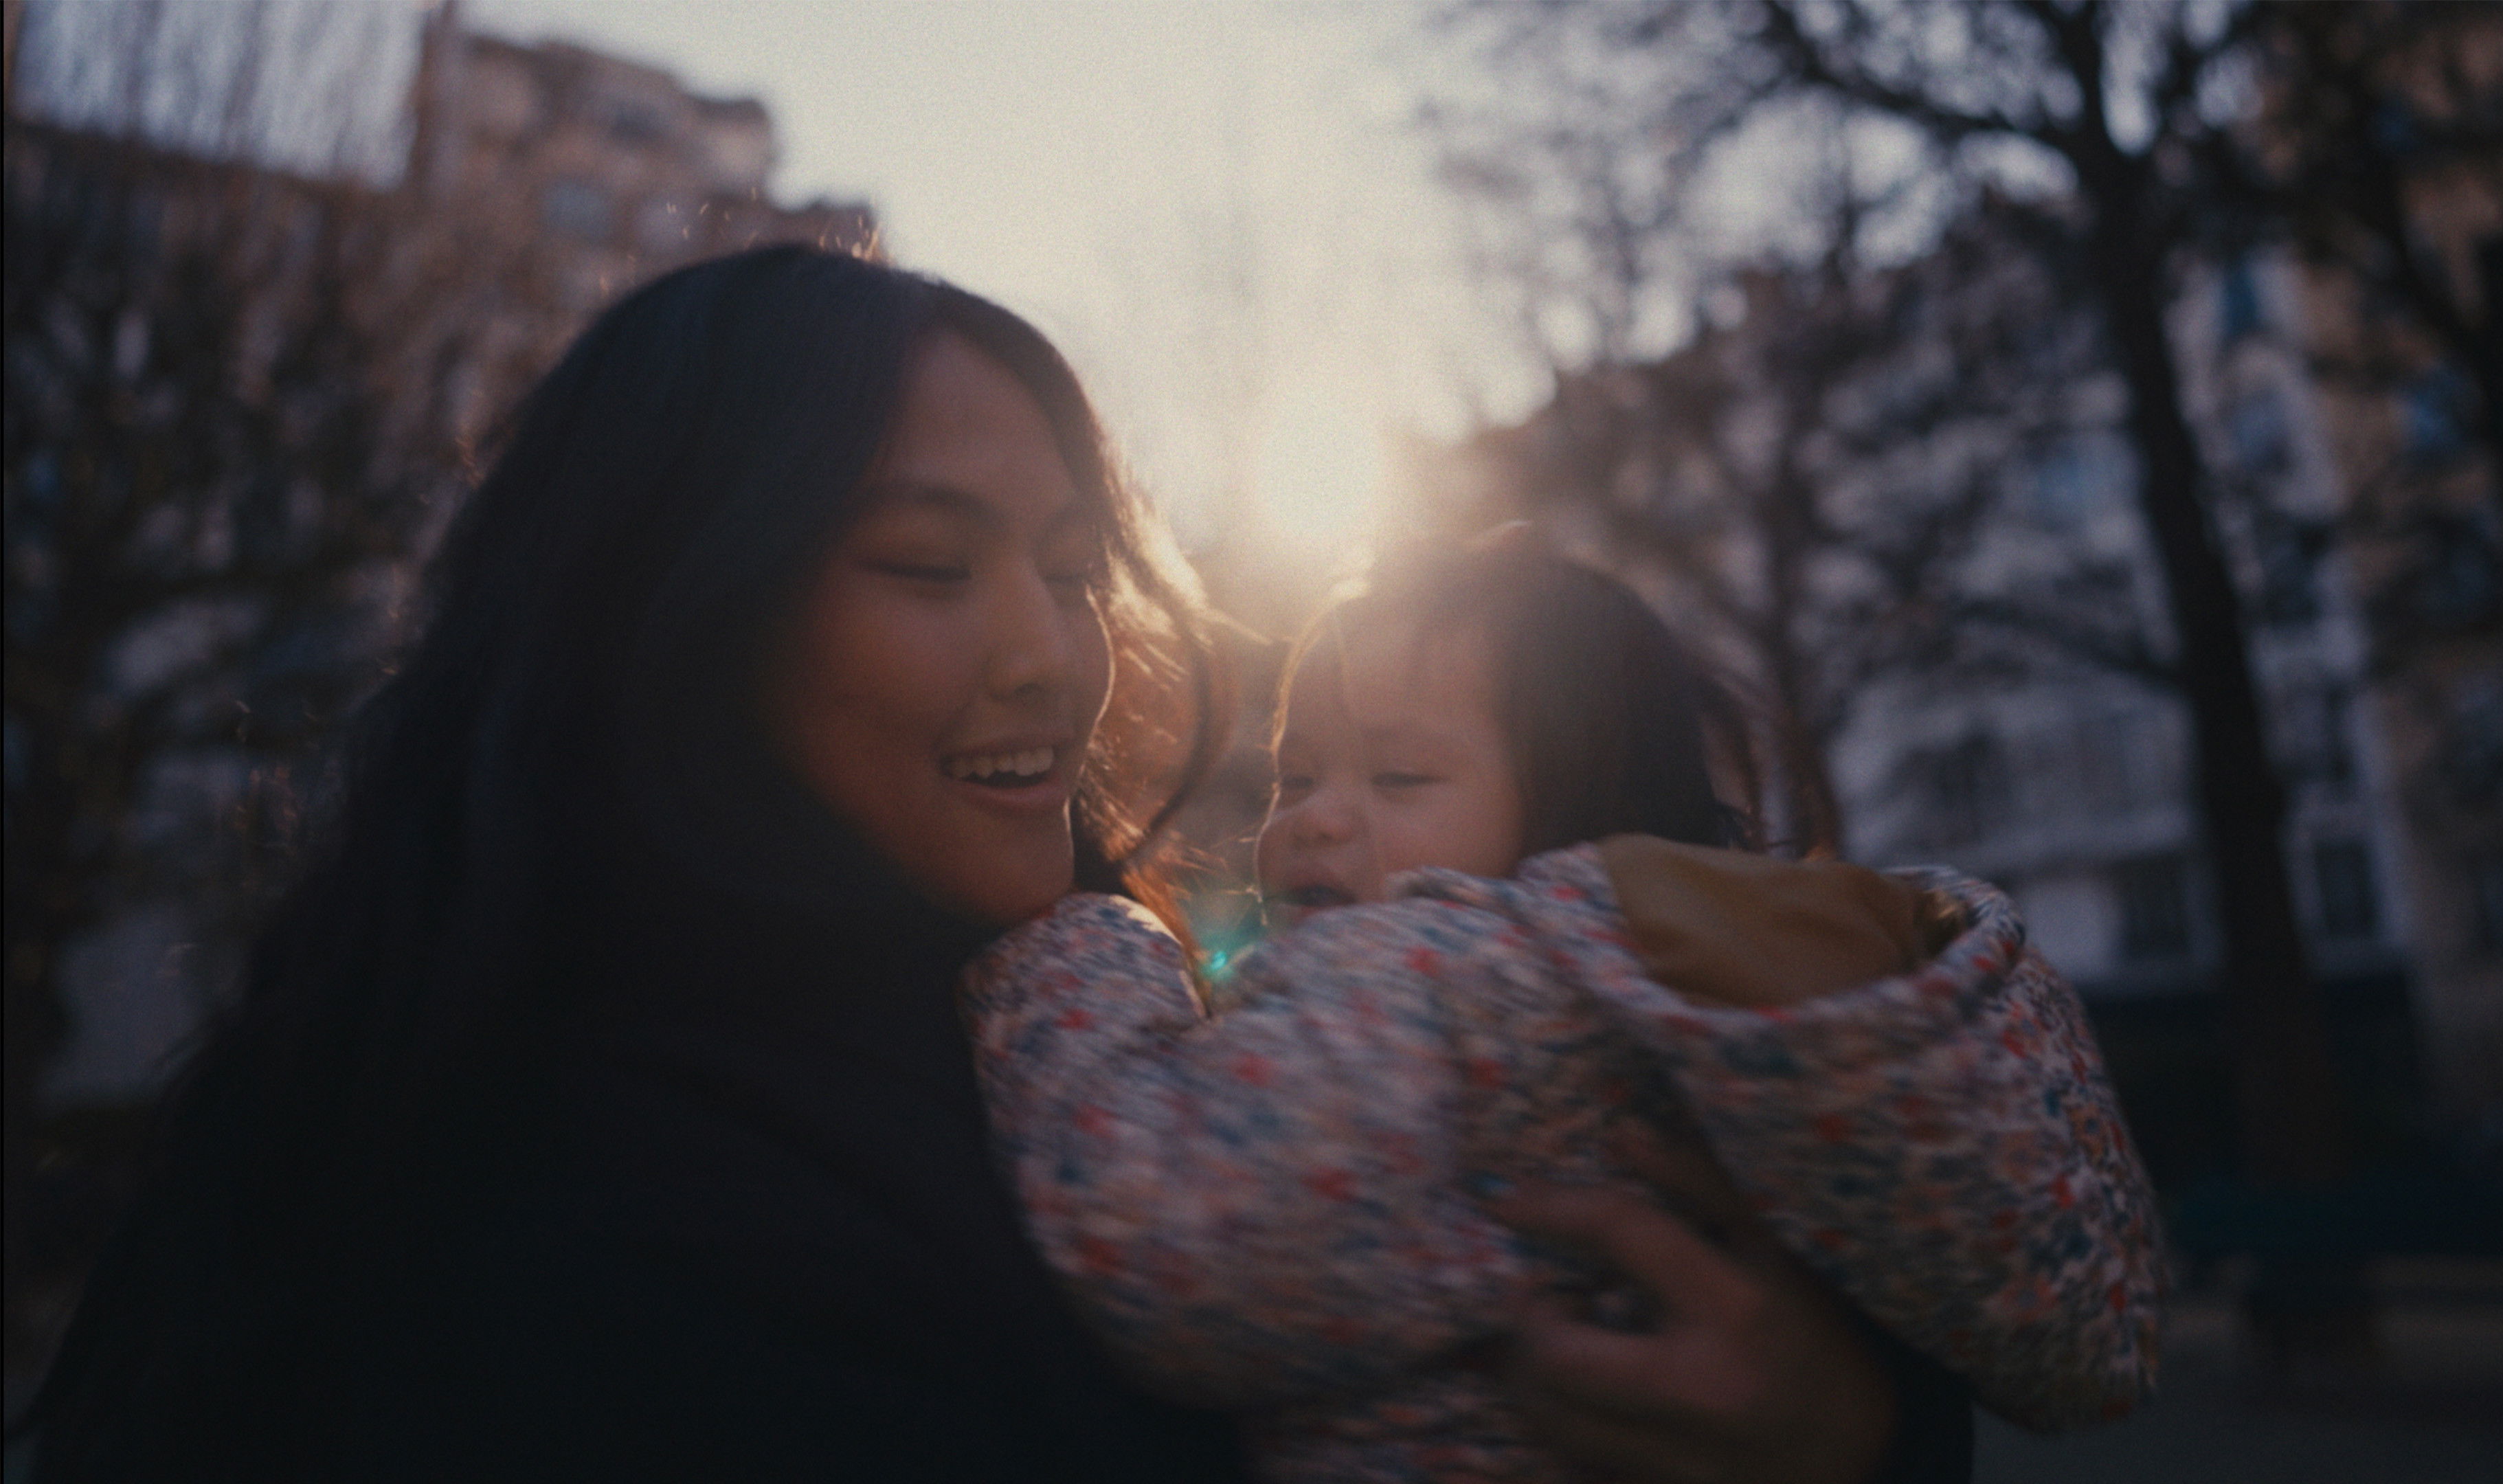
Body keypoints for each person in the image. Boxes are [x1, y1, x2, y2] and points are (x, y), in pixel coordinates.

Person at [25, 247, 1967, 1482]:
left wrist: (1850, 1420)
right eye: (930, 565)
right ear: (670, 617)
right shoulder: (569, 1232)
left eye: (1069, 567)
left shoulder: (1030, 1035)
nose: (1056, 651)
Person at [958, 541, 2164, 1480]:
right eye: (1295, 774)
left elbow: (1156, 1226)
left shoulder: (1461, 991)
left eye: (1400, 776)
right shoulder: (1726, 1044)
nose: (1311, 821)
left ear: (1583, 825)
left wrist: (1080, 949)